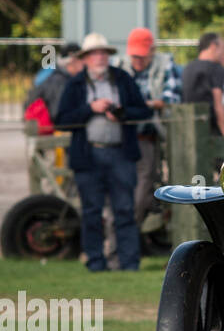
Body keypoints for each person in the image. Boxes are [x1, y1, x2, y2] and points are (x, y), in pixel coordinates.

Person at [54, 32, 150, 272]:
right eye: (94, 54)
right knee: (92, 212)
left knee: (125, 211)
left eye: (103, 53)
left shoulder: (122, 79)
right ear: (85, 58)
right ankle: (96, 263)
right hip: (89, 156)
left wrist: (121, 113)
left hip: (120, 155)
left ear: (108, 55)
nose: (99, 57)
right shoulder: (75, 84)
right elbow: (62, 120)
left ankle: (129, 264)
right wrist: (90, 109)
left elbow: (143, 111)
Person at [120, 27, 182, 232]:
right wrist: (146, 104)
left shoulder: (165, 64)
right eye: (134, 55)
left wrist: (139, 106)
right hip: (121, 137)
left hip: (148, 136)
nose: (137, 60)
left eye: (142, 56)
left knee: (144, 183)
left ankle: (130, 230)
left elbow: (171, 99)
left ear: (152, 51)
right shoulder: (120, 65)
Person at [23, 42, 83, 133]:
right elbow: (58, 114)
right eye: (82, 58)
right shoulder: (60, 81)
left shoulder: (60, 76)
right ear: (72, 61)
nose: (85, 62)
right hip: (51, 129)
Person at [182, 32, 224, 137]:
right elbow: (218, 105)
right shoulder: (215, 68)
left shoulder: (188, 68)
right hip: (209, 130)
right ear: (213, 46)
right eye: (223, 48)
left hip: (188, 129)